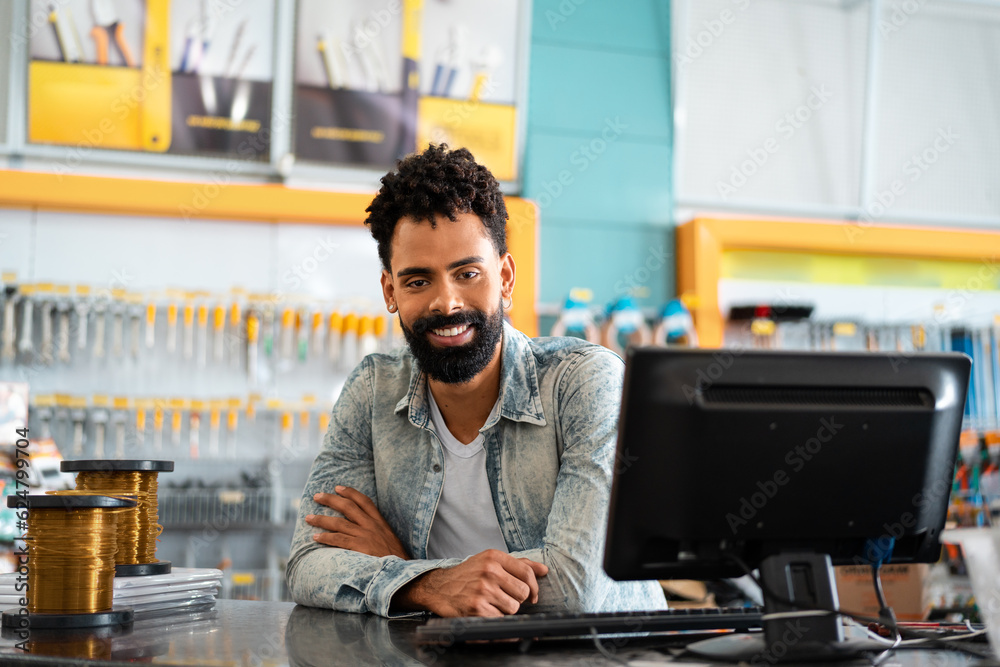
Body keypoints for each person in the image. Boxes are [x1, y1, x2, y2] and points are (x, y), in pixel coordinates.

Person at [286, 144, 665, 617]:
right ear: (390, 291)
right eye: (418, 281)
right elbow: (307, 565)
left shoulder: (585, 383)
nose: (447, 303)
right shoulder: (371, 393)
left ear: (505, 277)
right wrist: (433, 586)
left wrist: (412, 573)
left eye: (467, 273)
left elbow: (573, 585)